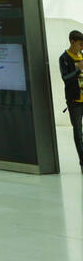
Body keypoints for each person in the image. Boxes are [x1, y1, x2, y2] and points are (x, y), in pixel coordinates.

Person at [59, 29, 83, 171]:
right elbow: (65, 78)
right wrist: (78, 70)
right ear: (72, 42)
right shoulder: (64, 58)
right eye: (80, 44)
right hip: (75, 101)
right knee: (78, 131)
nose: (82, 47)